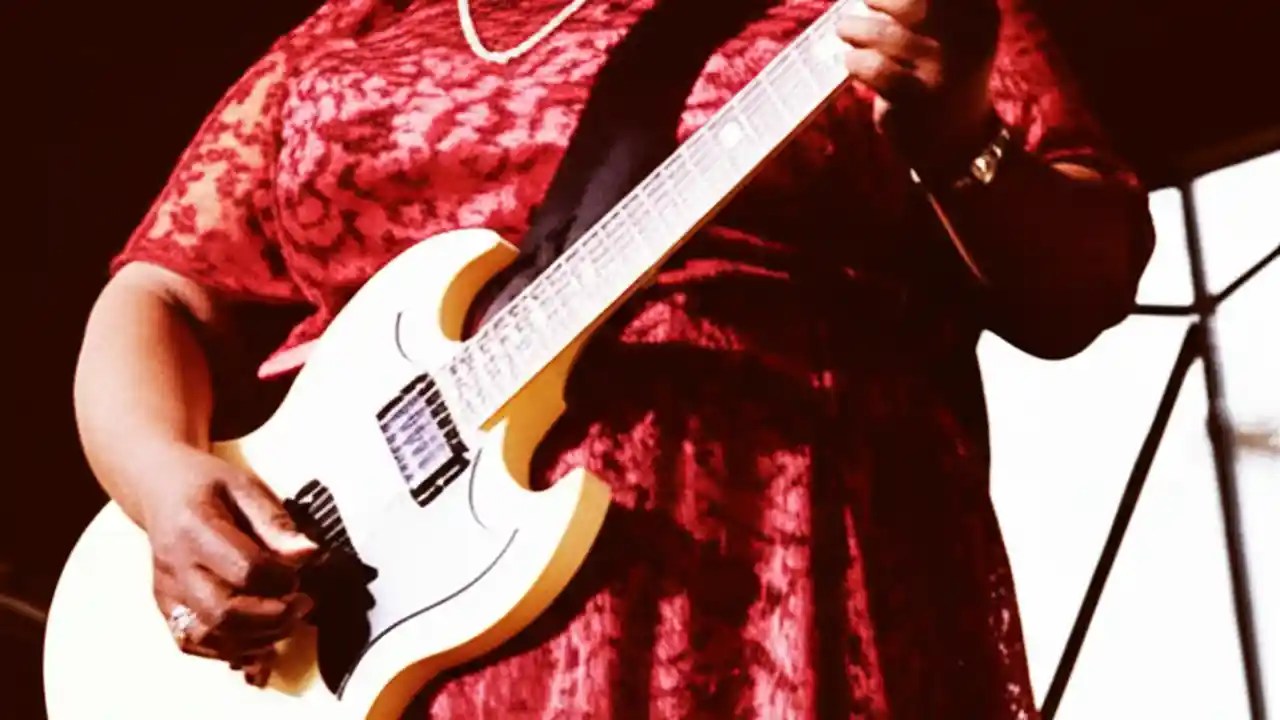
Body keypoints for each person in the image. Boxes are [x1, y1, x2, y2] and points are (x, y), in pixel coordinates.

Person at [72, 0, 1155, 716]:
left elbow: (1082, 285)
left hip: (757, 584)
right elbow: (160, 291)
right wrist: (168, 488)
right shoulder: (343, 40)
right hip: (370, 639)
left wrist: (953, 123)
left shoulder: (862, 7)